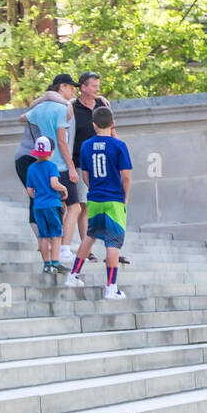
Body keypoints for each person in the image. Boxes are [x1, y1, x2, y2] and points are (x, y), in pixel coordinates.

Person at [65, 106, 132, 299]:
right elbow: (126, 176)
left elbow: (85, 175)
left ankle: (73, 274)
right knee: (113, 242)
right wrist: (124, 195)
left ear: (93, 125)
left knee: (90, 235)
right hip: (114, 199)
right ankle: (111, 287)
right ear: (113, 124)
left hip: (94, 197)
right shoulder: (119, 145)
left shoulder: (86, 146)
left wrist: (94, 187)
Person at [61, 72, 123, 266]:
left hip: (103, 165)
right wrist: (70, 167)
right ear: (84, 87)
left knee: (103, 206)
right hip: (80, 163)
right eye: (94, 86)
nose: (97, 89)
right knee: (83, 205)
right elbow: (65, 137)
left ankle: (110, 249)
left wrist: (118, 153)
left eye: (98, 85)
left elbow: (112, 131)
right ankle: (85, 251)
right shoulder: (71, 107)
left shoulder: (102, 105)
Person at [25, 74, 79, 268]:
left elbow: (22, 117)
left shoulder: (40, 109)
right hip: (60, 165)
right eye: (71, 87)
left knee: (47, 228)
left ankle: (48, 262)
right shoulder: (61, 109)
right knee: (75, 207)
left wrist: (43, 98)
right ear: (62, 87)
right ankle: (64, 250)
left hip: (41, 191)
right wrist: (71, 167)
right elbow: (62, 141)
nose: (73, 90)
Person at [25, 136, 68, 275]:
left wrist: (38, 198)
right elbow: (54, 183)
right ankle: (55, 263)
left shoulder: (31, 168)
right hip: (52, 204)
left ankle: (46, 265)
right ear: (51, 152)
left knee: (43, 236)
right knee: (56, 234)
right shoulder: (52, 166)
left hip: (38, 206)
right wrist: (64, 188)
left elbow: (30, 190)